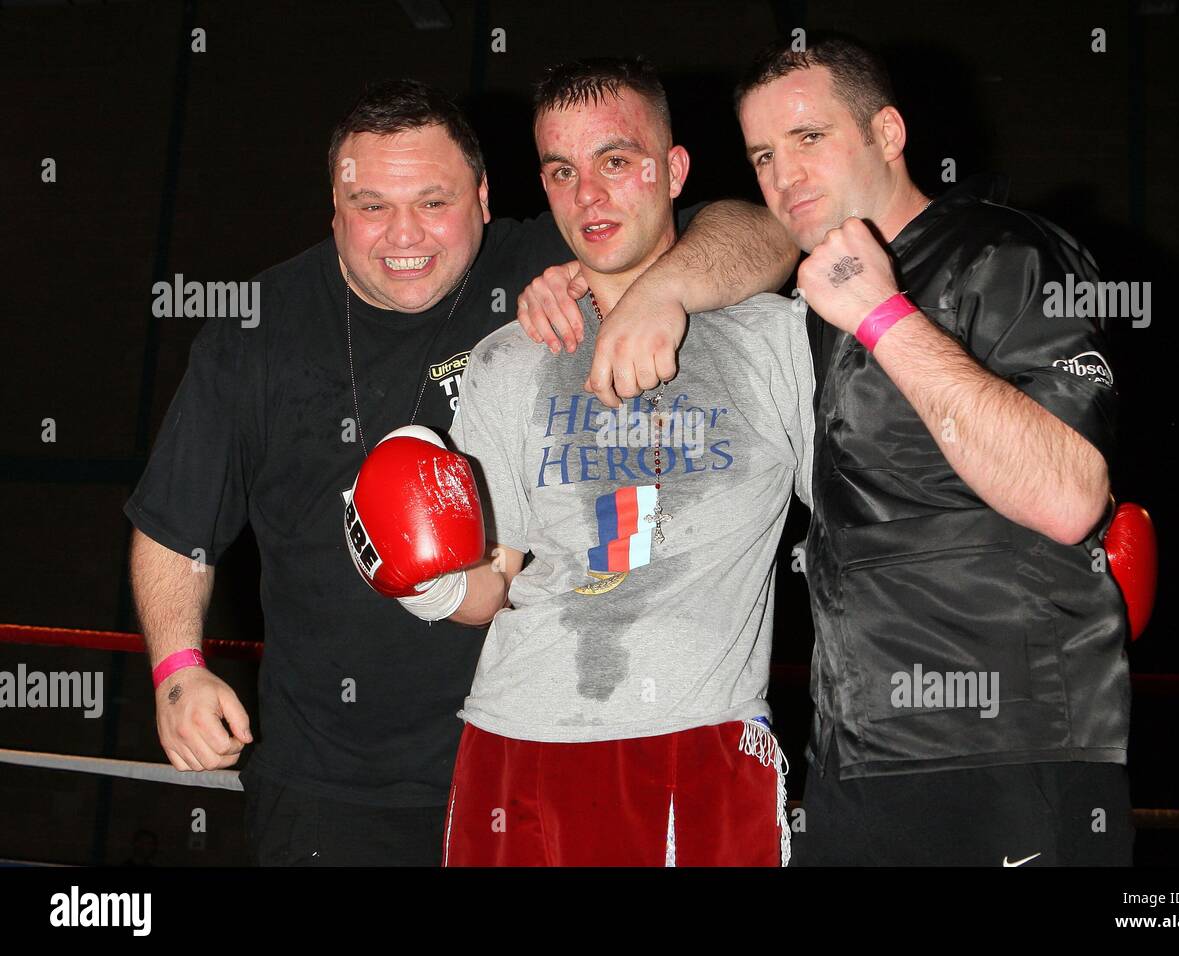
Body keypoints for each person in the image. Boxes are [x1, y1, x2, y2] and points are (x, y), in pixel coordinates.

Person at [124, 78, 797, 866]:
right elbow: (174, 525)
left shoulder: (549, 257)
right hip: (335, 781)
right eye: (371, 205)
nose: (402, 235)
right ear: (334, 208)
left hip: (527, 751)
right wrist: (178, 671)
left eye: (433, 203)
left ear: (483, 199)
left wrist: (666, 290)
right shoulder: (260, 332)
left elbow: (765, 235)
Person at [521, 36, 1134, 866]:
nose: (785, 176)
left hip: (1009, 746)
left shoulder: (1006, 255)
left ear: (888, 133)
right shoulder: (810, 293)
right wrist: (594, 285)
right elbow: (734, 235)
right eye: (765, 154)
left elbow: (1070, 497)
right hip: (857, 749)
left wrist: (884, 316)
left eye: (810, 140)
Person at [432, 57, 814, 866]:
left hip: (695, 741)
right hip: (511, 738)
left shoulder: (777, 340)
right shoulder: (506, 359)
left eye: (616, 161)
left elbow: (871, 519)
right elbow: (487, 583)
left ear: (675, 170)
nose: (589, 195)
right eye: (563, 171)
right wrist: (416, 575)